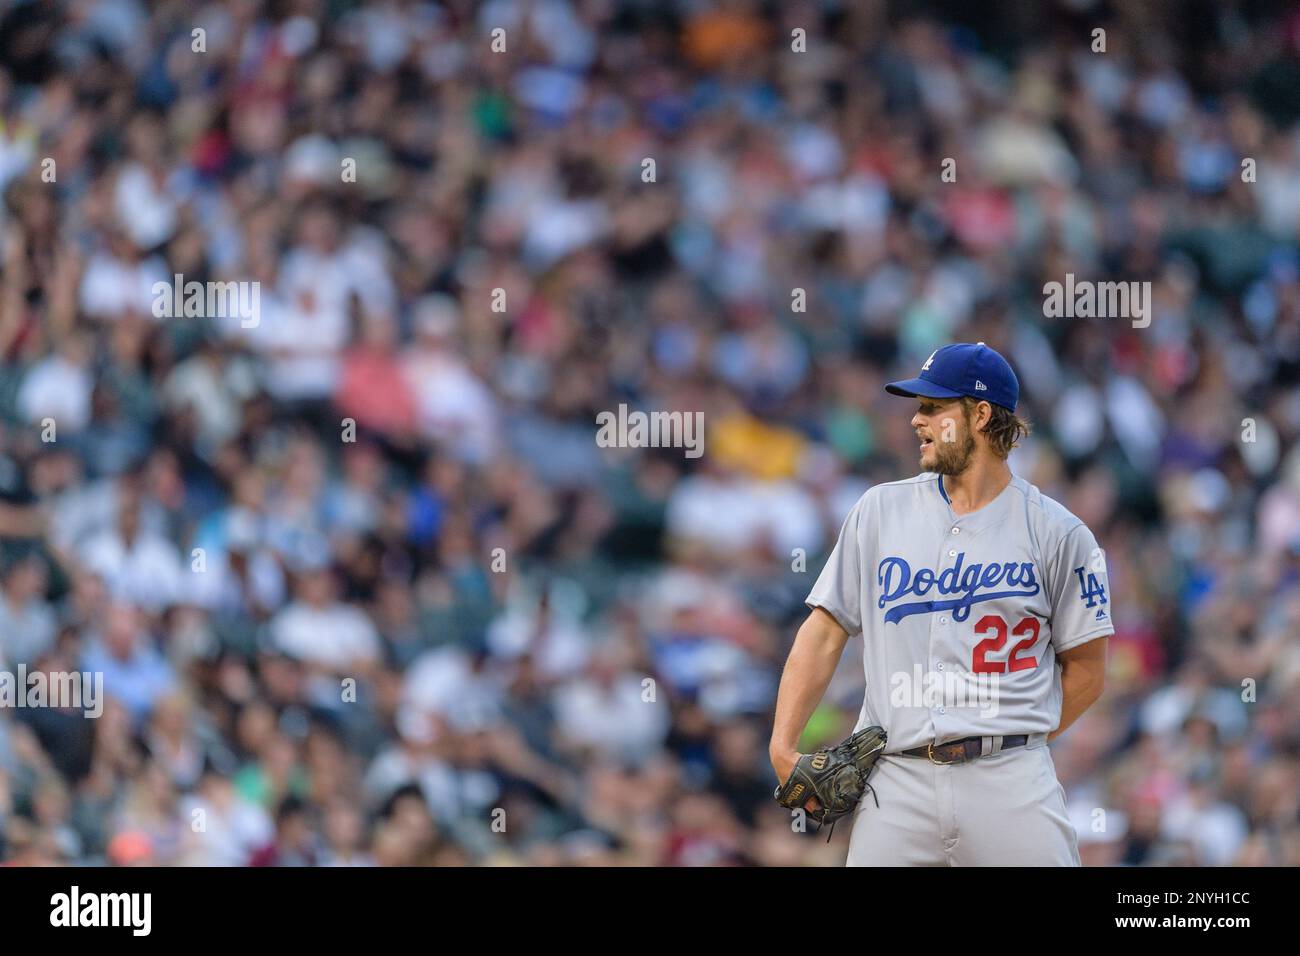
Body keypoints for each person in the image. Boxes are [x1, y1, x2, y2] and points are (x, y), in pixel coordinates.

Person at [769, 343, 1111, 866]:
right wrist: (783, 743)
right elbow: (823, 631)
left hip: (1011, 781)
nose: (915, 419)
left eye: (933, 407)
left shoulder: (1059, 533)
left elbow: (1087, 672)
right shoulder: (879, 511)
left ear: (979, 415)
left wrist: (1010, 734)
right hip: (896, 783)